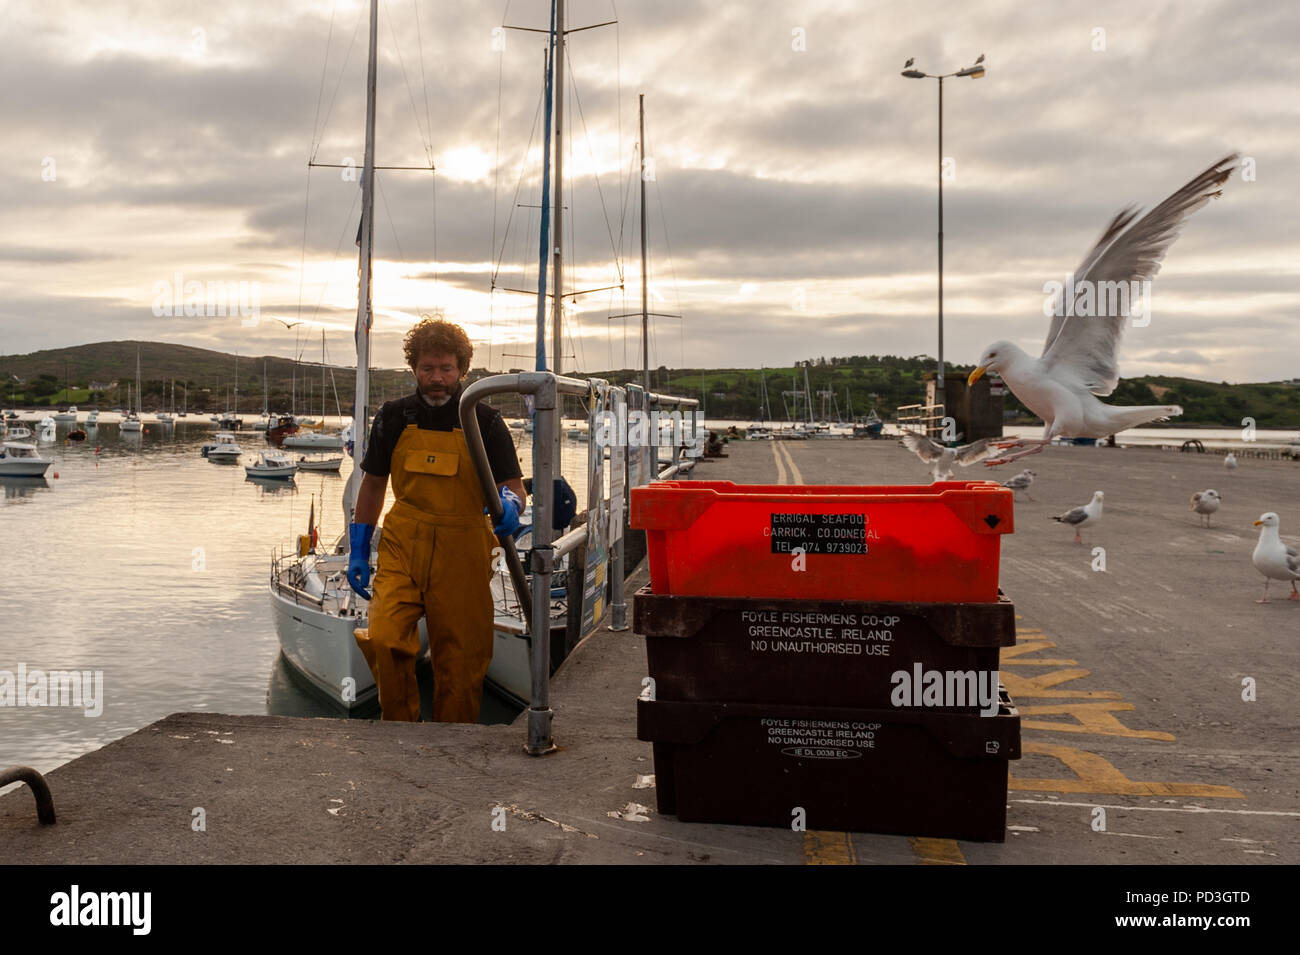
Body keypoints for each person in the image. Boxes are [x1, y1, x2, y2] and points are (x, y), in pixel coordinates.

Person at [346, 318, 525, 722]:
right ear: (414, 368)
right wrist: (358, 548)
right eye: (427, 368)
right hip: (402, 542)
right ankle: (400, 735)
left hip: (464, 549)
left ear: (462, 369)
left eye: (446, 368)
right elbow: (373, 484)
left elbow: (513, 486)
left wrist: (511, 505)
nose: (437, 378)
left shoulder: (486, 421)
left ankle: (452, 752)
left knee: (461, 666)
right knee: (386, 639)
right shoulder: (393, 417)